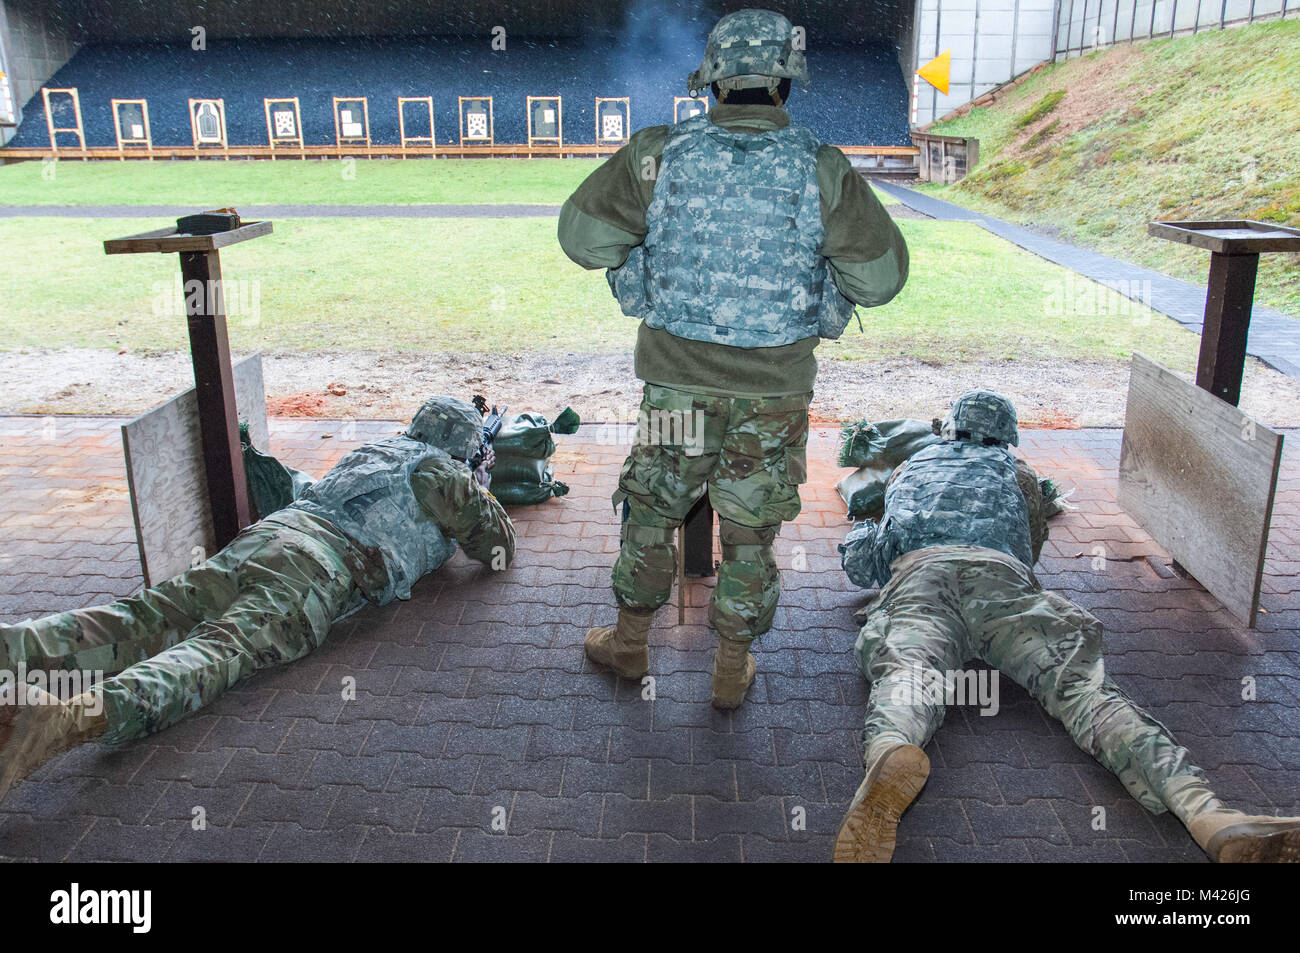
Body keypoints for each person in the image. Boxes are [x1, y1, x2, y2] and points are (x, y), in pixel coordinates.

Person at [558, 8, 909, 709]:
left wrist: (639, 273)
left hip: (675, 391)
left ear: (712, 79)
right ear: (786, 81)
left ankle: (630, 645)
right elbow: (879, 279)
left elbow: (582, 238)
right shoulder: (821, 167)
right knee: (750, 531)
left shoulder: (658, 153)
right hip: (772, 396)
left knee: (653, 512)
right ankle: (729, 671)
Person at [833, 389, 1300, 863]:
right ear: (1005, 436)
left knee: (909, 676)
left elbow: (865, 566)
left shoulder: (911, 469)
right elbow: (1030, 548)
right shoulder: (1018, 475)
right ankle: (1207, 814)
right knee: (1086, 694)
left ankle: (890, 752)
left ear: (948, 426)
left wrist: (860, 535)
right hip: (1003, 586)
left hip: (923, 579)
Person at [0, 396, 514, 802]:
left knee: (145, 616)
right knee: (217, 652)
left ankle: (15, 650)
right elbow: (496, 550)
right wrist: (480, 482)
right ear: (464, 450)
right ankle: (66, 720)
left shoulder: (376, 449)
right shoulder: (443, 474)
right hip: (317, 570)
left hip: (267, 537)